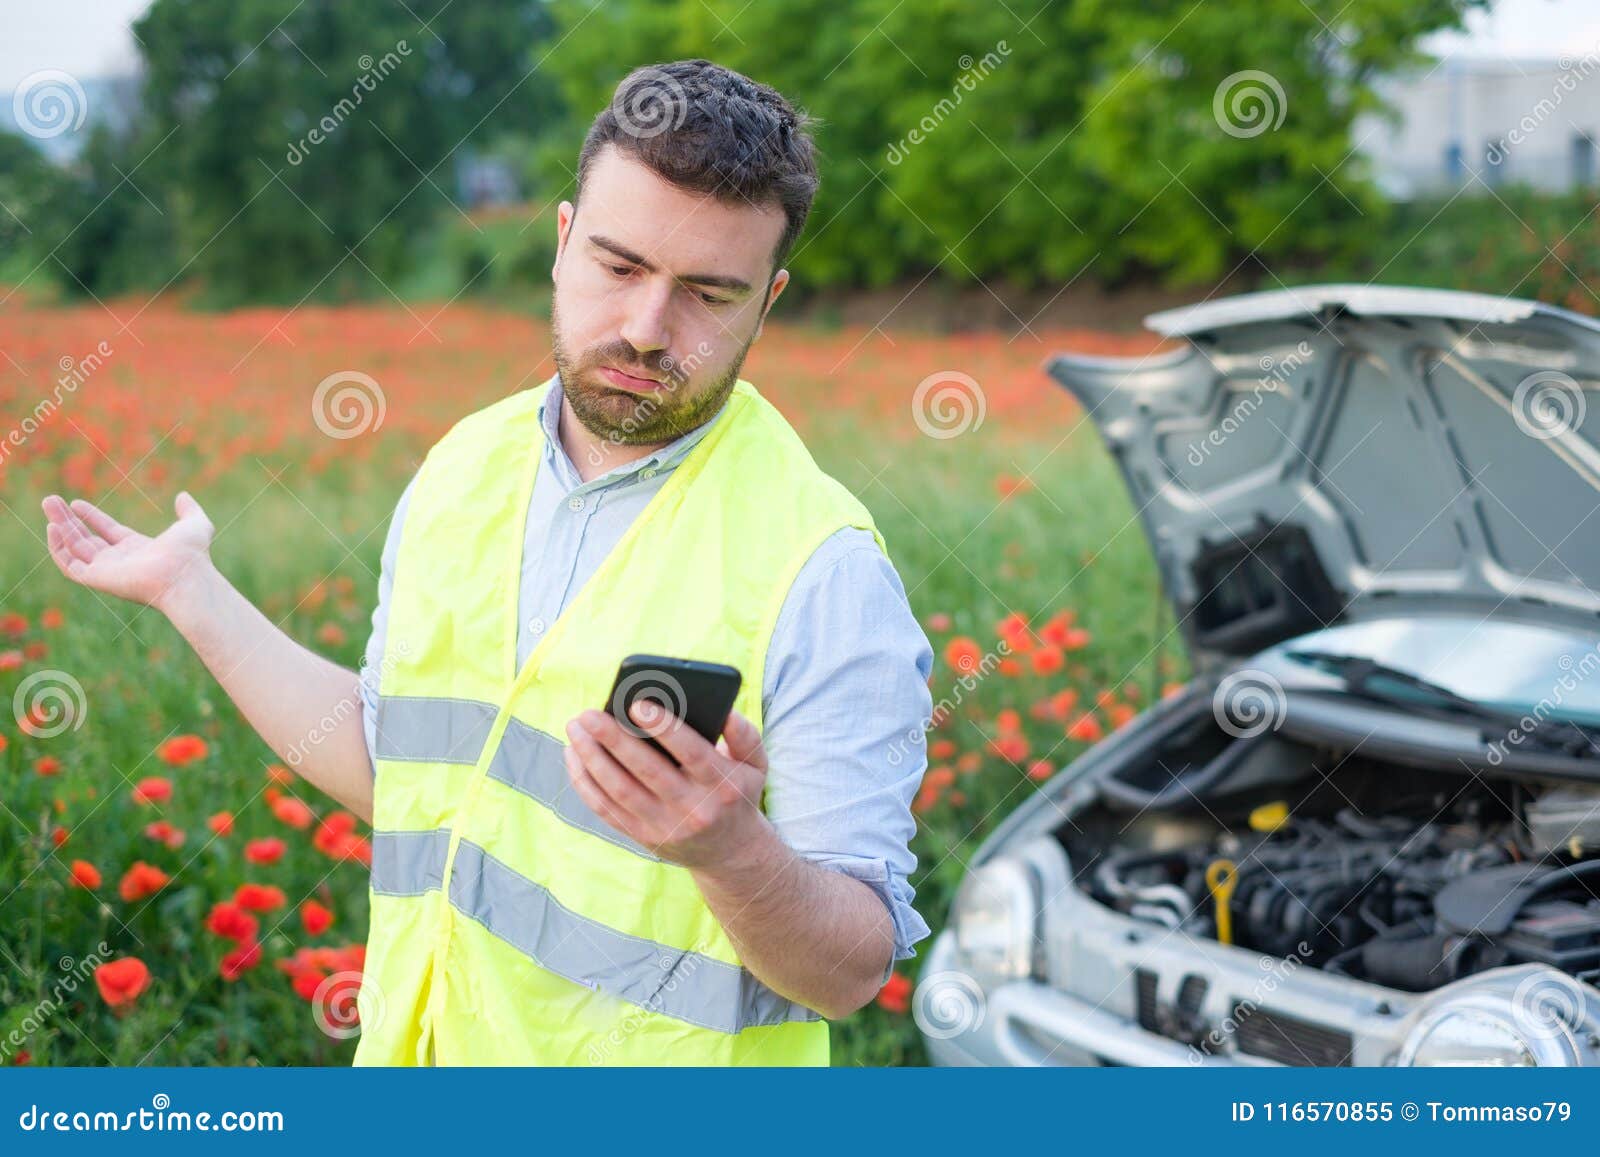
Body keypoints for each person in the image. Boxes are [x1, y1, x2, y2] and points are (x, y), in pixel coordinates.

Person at [41, 58, 933, 1066]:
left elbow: (850, 968)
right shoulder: (463, 464)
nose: (646, 326)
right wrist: (190, 593)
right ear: (560, 245)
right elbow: (398, 769)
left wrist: (730, 851)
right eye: (619, 266)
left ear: (765, 304)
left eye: (707, 293)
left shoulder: (823, 567)